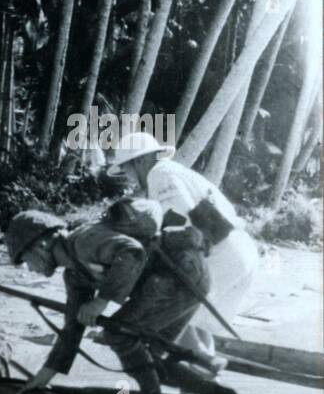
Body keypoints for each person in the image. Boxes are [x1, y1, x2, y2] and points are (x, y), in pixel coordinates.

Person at [5, 201, 236, 394]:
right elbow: (72, 328)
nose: (30, 268)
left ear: (41, 245)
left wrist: (101, 301)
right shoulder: (74, 275)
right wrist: (43, 377)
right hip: (185, 278)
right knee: (147, 356)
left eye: (26, 260)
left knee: (118, 333)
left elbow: (131, 252)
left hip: (179, 275)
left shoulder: (84, 241)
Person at [106, 131, 259, 358]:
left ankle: (203, 367)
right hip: (237, 250)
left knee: (175, 309)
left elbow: (183, 223)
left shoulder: (159, 175)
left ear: (140, 160)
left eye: (125, 168)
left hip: (222, 253)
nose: (127, 176)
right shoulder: (173, 172)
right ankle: (204, 367)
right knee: (194, 320)